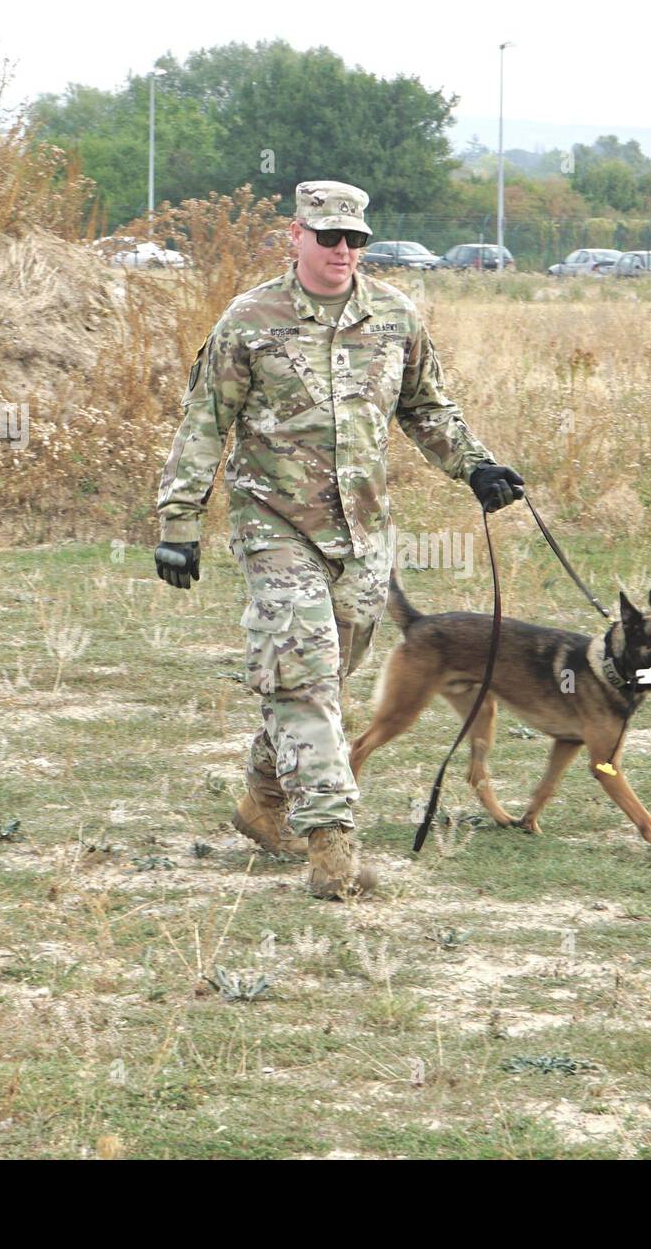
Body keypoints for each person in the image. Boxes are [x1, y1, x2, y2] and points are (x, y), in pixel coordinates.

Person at [154, 179, 524, 899]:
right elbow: (205, 422)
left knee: (316, 679)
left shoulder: (393, 316)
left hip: (363, 535)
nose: (344, 251)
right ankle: (333, 850)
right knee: (305, 676)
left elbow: (426, 406)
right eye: (329, 237)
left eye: (356, 238)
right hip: (275, 526)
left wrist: (475, 466)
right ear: (296, 236)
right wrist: (180, 523)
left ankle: (264, 799)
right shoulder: (250, 319)